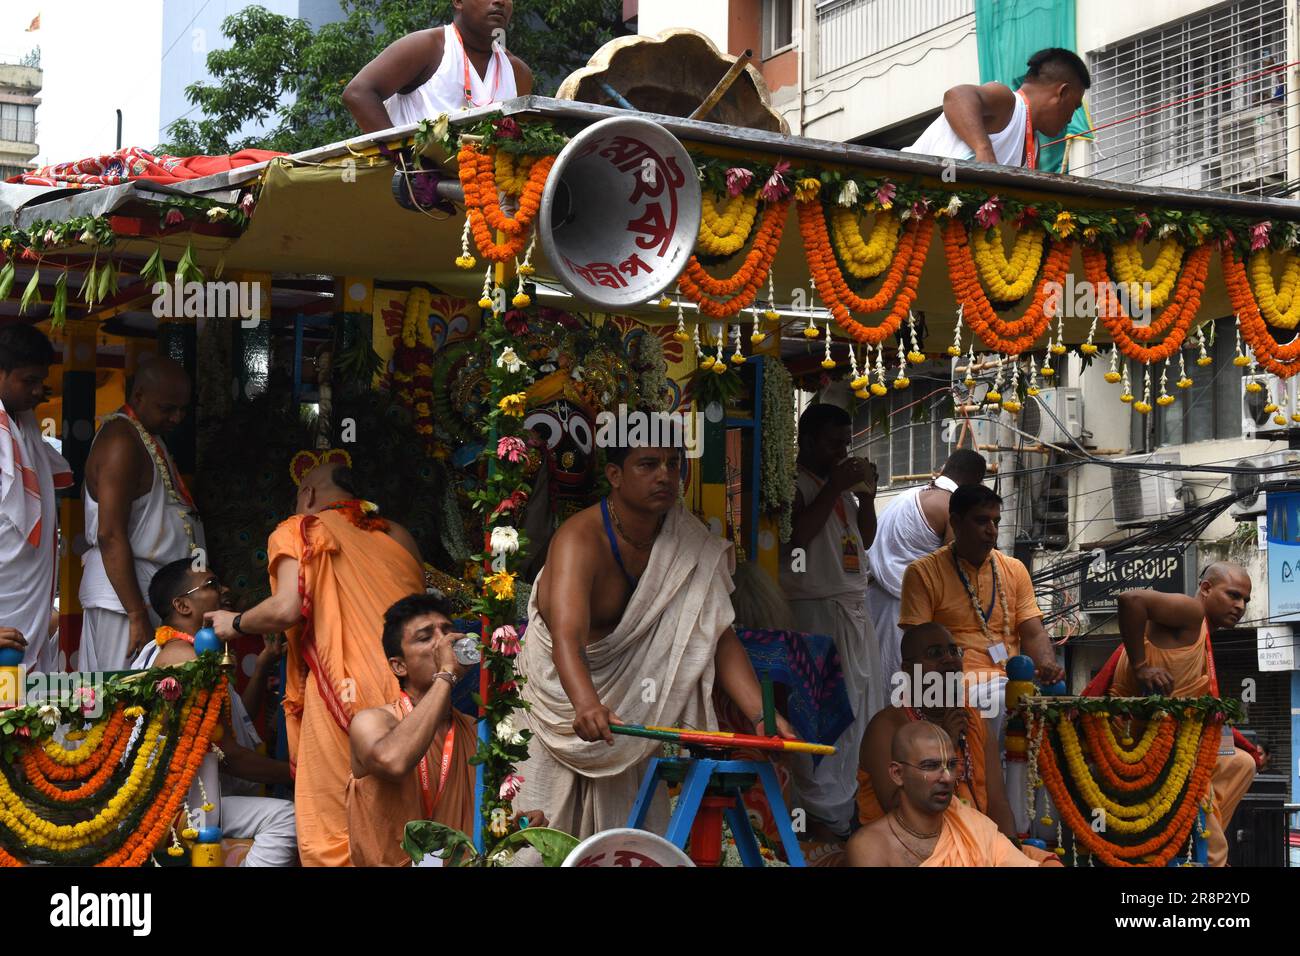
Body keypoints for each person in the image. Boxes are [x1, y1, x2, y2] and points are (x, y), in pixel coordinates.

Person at [514, 441, 796, 840]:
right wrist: (586, 703)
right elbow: (567, 635)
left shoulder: (687, 540)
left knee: (626, 842)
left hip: (626, 716)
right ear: (615, 475)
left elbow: (714, 631)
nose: (664, 475)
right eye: (648, 464)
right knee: (536, 844)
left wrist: (759, 715)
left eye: (673, 464)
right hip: (557, 702)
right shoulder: (578, 540)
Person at [205, 462, 425, 866]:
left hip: (342, 686)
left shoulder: (301, 528)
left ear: (306, 495)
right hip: (409, 689)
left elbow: (287, 607)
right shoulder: (398, 534)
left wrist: (234, 623)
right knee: (405, 809)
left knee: (334, 817)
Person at [348, 593, 548, 866]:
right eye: (425, 637)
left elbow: (475, 836)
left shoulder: (473, 730)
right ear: (399, 665)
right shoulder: (371, 722)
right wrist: (446, 673)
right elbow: (394, 762)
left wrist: (514, 832)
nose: (444, 643)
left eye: (447, 631)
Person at [1094, 562, 1258, 868]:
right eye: (1233, 595)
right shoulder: (1191, 612)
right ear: (1206, 589)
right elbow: (1130, 600)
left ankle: (1194, 831)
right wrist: (1142, 667)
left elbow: (1205, 710)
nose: (1240, 606)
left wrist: (1247, 746)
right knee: (1200, 792)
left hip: (1179, 739)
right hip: (1142, 741)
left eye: (1245, 600)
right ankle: (1211, 858)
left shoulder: (1203, 632)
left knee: (1241, 763)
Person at [137, 558, 296, 867]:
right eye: (211, 585)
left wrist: (262, 666)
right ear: (183, 606)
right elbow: (229, 754)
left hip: (195, 798)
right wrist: (296, 774)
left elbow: (232, 726)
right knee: (287, 818)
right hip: (176, 808)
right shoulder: (185, 662)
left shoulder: (196, 653)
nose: (224, 590)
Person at [779, 402, 881, 841]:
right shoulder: (795, 483)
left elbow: (867, 539)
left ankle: (848, 808)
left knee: (859, 714)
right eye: (833, 442)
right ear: (807, 441)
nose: (842, 451)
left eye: (846, 442)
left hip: (854, 611)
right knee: (823, 715)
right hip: (815, 613)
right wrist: (835, 486)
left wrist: (866, 499)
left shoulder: (839, 487)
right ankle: (818, 813)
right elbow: (796, 536)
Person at [898, 485, 1063, 734]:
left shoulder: (1015, 569)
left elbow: (1033, 632)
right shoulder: (923, 573)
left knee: (1058, 701)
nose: (991, 530)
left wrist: (1048, 665)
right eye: (981, 520)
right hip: (955, 683)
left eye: (996, 521)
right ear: (955, 522)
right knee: (1005, 702)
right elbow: (917, 646)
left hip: (1010, 680)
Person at [79, 356, 204, 671]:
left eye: (182, 409)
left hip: (139, 592)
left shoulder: (147, 436)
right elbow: (109, 534)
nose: (176, 418)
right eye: (167, 408)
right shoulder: (121, 439)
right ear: (138, 397)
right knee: (120, 701)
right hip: (122, 598)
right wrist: (136, 613)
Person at [857, 623, 1016, 838]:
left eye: (954, 651)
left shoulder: (975, 721)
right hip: (908, 850)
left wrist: (1010, 851)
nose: (949, 658)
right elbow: (899, 812)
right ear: (908, 670)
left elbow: (998, 802)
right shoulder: (887, 727)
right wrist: (946, 746)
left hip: (978, 848)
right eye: (935, 653)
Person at [845, 722, 1059, 867]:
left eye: (952, 765)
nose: (947, 777)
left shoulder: (972, 828)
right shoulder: (870, 846)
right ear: (898, 774)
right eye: (931, 766)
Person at [868, 450, 987, 690]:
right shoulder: (952, 506)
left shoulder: (906, 496)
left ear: (944, 467)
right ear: (975, 482)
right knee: (905, 691)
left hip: (872, 604)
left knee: (878, 685)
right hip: (907, 612)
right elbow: (955, 573)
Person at [344, 0, 534, 133]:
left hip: (490, 186)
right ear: (458, 1)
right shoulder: (427, 46)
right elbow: (358, 93)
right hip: (414, 187)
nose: (500, 1)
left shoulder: (518, 72)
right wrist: (402, 160)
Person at [0, 324, 71, 672]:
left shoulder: (24, 425)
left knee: (25, 719)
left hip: (25, 614)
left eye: (41, 381)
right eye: (28, 380)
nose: (37, 390)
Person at [903, 47, 1090, 168]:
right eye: (1074, 107)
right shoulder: (1007, 101)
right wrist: (983, 149)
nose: (1071, 119)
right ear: (1062, 92)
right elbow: (955, 96)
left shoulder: (1035, 148)